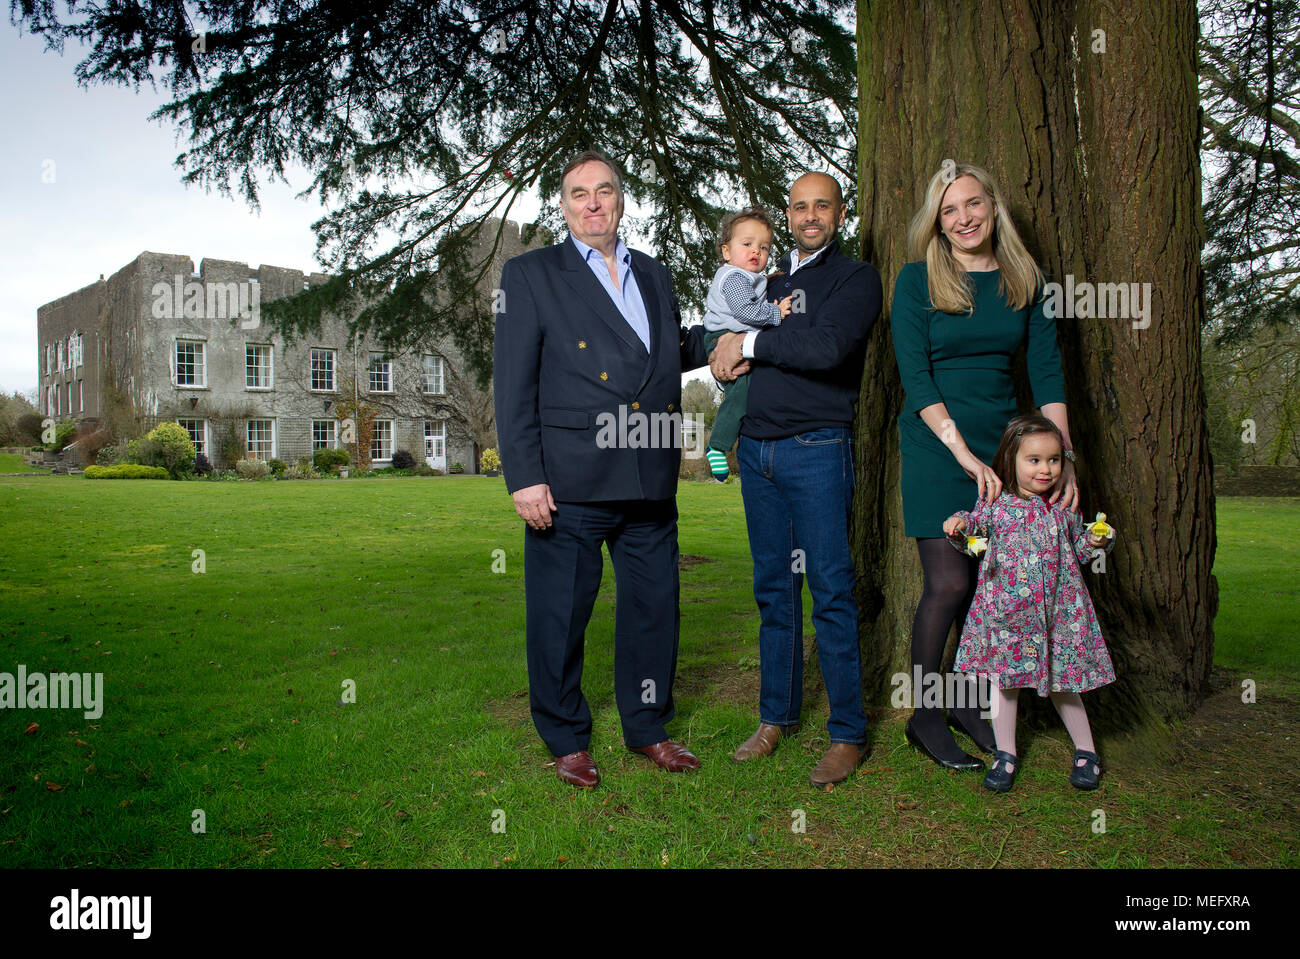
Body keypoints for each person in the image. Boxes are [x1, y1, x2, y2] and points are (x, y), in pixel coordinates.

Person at [493, 149, 711, 789]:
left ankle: (648, 727)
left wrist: (726, 344)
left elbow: (665, 349)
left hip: (648, 469)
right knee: (560, 613)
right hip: (568, 479)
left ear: (621, 199)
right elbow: (512, 384)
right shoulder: (531, 274)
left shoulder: (654, 273)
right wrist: (524, 476)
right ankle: (565, 736)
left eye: (604, 190)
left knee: (654, 609)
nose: (592, 202)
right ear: (563, 206)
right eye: (577, 193)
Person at [890, 161, 1081, 772]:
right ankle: (924, 714)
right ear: (936, 222)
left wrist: (1063, 458)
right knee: (949, 584)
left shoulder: (1026, 279)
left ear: (993, 207)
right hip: (936, 444)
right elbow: (915, 377)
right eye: (949, 210)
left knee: (991, 589)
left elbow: (1047, 372)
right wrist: (961, 454)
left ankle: (972, 704)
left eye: (972, 204)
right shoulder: (917, 280)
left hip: (1002, 451)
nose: (963, 217)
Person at [710, 172, 882, 786]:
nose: (811, 216)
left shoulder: (854, 279)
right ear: (789, 214)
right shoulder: (767, 281)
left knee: (831, 592)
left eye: (823, 206)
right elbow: (724, 344)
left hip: (816, 449)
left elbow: (826, 347)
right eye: (801, 206)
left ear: (840, 212)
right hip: (756, 453)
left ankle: (847, 733)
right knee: (774, 591)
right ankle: (774, 717)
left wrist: (750, 339)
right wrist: (722, 350)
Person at [944, 414, 1116, 792]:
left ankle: (1086, 751)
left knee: (1063, 683)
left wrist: (1098, 540)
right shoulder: (995, 505)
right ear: (1011, 459)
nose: (1046, 469)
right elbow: (974, 535)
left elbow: (1080, 550)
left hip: (1059, 614)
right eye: (1034, 460)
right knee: (1004, 684)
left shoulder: (1063, 507)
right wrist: (960, 525)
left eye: (1054, 460)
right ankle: (1005, 753)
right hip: (1008, 616)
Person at [700, 207, 793, 482]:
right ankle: (717, 446)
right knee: (740, 392)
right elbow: (745, 311)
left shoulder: (746, 276)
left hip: (733, 336)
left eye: (764, 247)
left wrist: (768, 280)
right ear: (726, 251)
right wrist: (777, 313)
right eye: (747, 244)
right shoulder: (734, 277)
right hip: (722, 337)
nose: (756, 251)